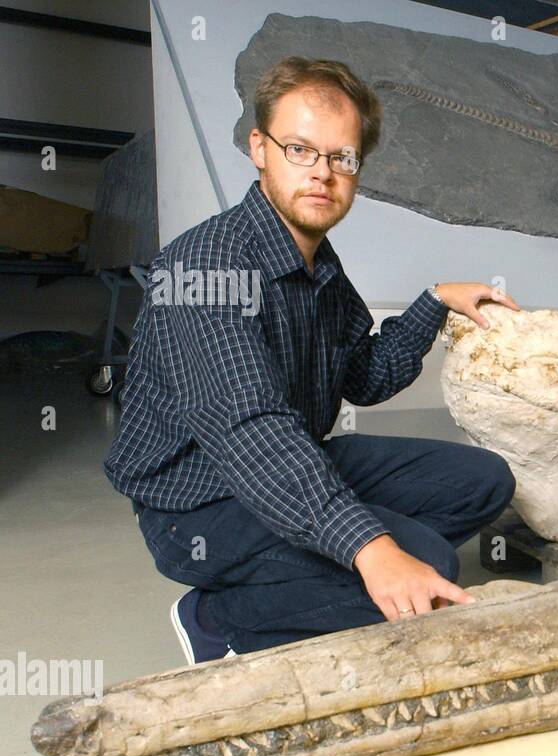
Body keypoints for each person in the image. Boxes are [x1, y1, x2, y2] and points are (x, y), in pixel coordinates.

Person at [104, 57, 520, 663]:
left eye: (341, 157)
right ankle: (216, 617)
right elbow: (253, 433)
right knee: (426, 563)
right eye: (299, 149)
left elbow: (366, 377)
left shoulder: (321, 266)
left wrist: (434, 303)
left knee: (484, 482)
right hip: (197, 506)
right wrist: (373, 550)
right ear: (259, 148)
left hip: (296, 461)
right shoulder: (203, 268)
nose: (322, 174)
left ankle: (317, 576)